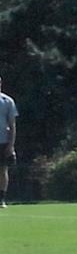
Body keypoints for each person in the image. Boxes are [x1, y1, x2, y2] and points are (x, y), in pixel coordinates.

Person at [0, 75, 17, 207]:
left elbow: (12, 125)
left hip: (3, 141)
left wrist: (11, 145)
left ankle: (1, 198)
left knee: (2, 170)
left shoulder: (7, 101)